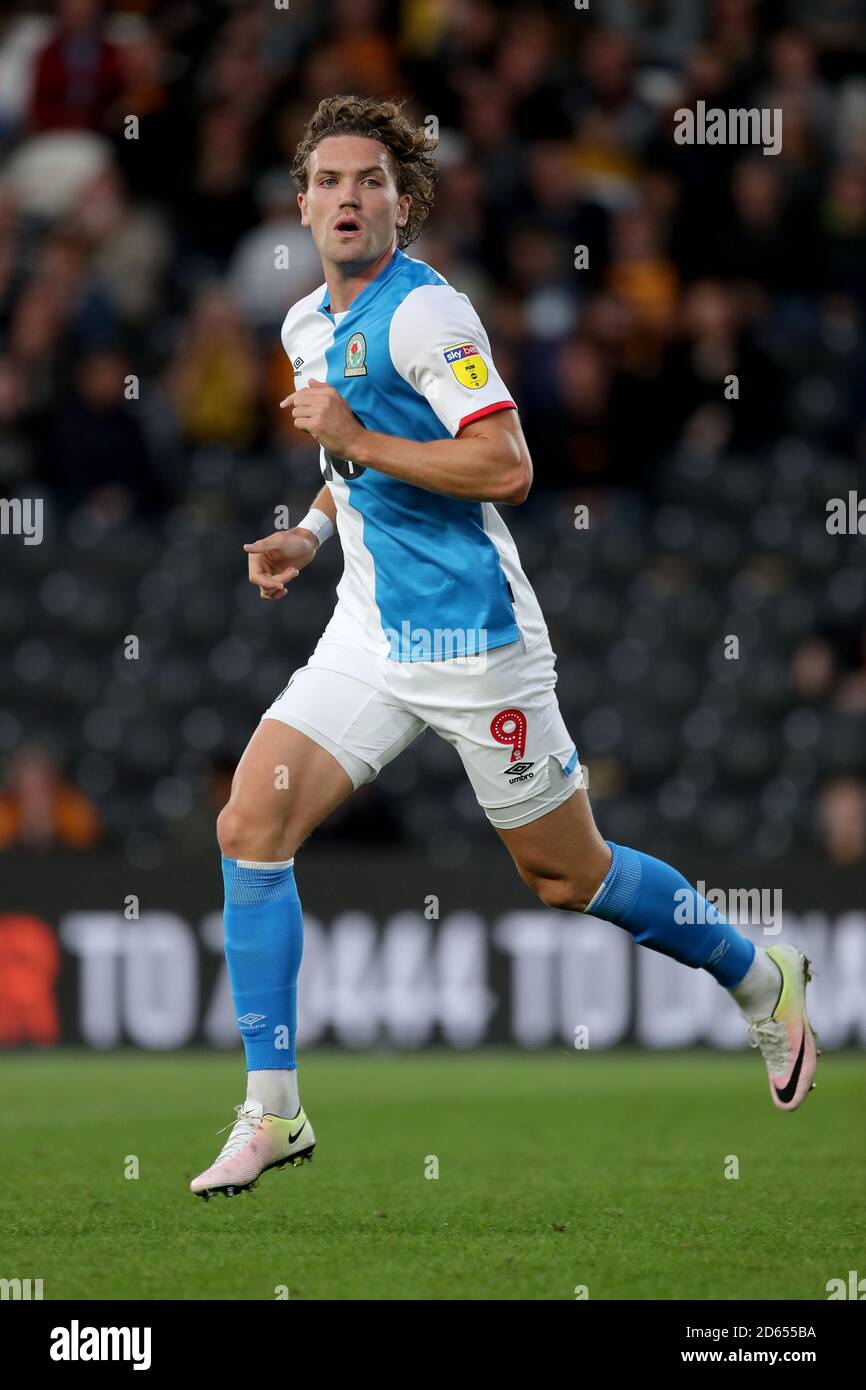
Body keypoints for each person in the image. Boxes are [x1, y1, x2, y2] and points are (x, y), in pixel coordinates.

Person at [190, 95, 818, 1200]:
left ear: (402, 203)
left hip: (475, 642)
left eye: (370, 181)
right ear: (299, 204)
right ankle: (273, 1108)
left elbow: (506, 468)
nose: (347, 197)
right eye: (328, 180)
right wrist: (306, 527)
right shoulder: (301, 325)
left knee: (564, 874)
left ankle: (756, 975)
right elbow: (352, 472)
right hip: (369, 632)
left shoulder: (430, 318)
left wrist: (352, 436)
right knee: (251, 820)